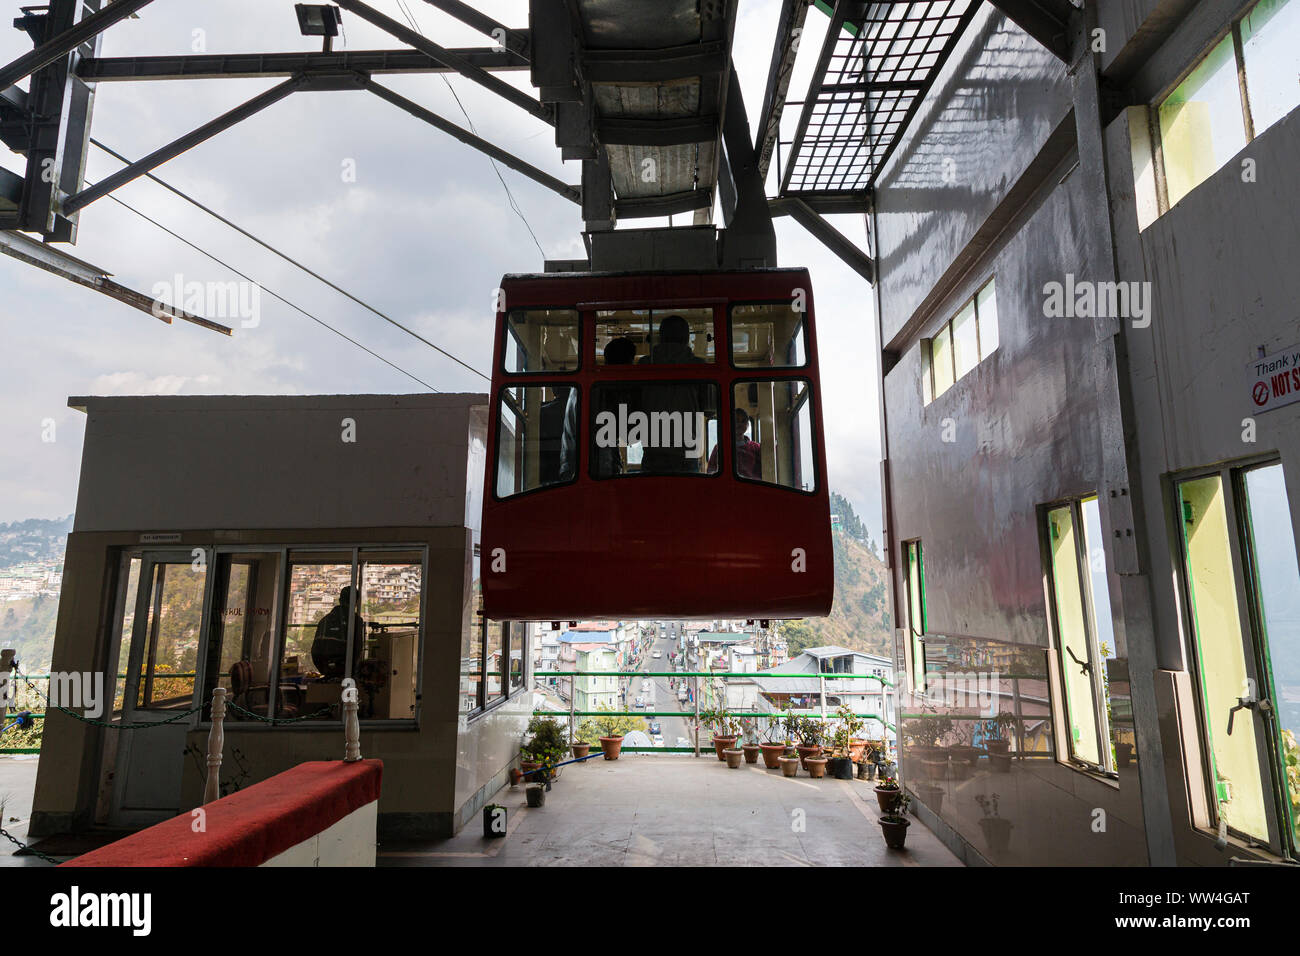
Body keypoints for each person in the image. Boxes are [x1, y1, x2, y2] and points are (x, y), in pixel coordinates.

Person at [310, 586, 366, 681]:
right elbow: (358, 649)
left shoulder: (325, 620)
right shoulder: (356, 621)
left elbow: (315, 651)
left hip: (326, 672)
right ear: (356, 603)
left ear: (340, 600)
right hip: (345, 675)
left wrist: (326, 671)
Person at [708, 407, 762, 479]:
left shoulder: (756, 448)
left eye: (743, 421)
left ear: (747, 425)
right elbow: (711, 471)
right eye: (736, 421)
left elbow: (761, 472)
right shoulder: (719, 447)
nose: (740, 424)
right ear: (730, 423)